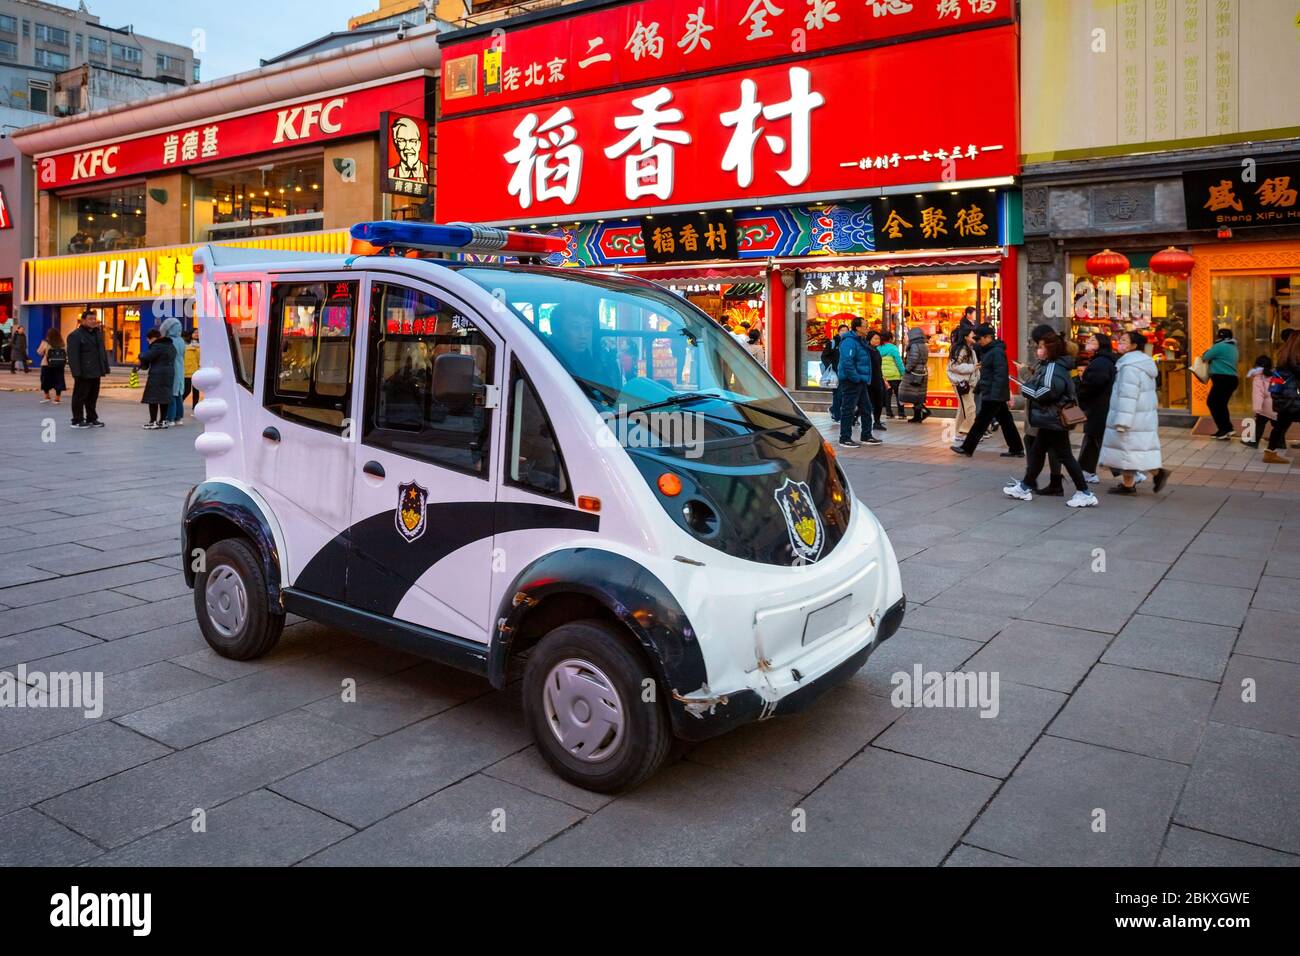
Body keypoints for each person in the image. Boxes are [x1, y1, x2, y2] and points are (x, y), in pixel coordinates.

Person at [1003, 333, 1098, 507]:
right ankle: (1024, 487)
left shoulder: (1054, 368)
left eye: (1041, 347)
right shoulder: (1052, 366)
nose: (1038, 350)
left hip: (1053, 418)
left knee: (1065, 456)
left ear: (1050, 349)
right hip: (1050, 419)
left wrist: (1024, 388)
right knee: (1038, 452)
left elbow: (1047, 392)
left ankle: (1084, 492)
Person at [1099, 330, 1170, 494]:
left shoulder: (1129, 366)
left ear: (1134, 345)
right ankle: (1129, 484)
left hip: (1130, 417)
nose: (1119, 343)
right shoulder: (1141, 363)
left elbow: (1127, 396)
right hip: (1140, 417)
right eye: (1119, 340)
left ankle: (1157, 473)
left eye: (1124, 340)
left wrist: (1122, 421)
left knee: (1128, 451)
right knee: (1130, 452)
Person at [953, 324, 1025, 458]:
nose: (978, 341)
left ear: (988, 337)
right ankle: (1017, 448)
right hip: (993, 393)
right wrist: (981, 387)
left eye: (980, 338)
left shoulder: (996, 352)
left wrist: (996, 394)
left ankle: (967, 448)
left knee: (981, 421)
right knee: (1006, 421)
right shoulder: (989, 350)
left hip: (994, 394)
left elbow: (1000, 375)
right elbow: (988, 373)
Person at [1076, 332, 1117, 482]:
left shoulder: (1101, 362)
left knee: (1100, 440)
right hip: (1099, 406)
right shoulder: (1102, 361)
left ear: (1101, 344)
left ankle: (1128, 472)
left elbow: (1094, 383)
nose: (1088, 341)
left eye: (1093, 340)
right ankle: (1086, 471)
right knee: (1093, 438)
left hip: (1099, 407)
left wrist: (1081, 390)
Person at [836, 317, 881, 447]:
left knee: (866, 408)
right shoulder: (849, 342)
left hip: (860, 380)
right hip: (851, 381)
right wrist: (855, 378)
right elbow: (847, 362)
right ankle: (844, 438)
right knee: (848, 409)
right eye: (865, 326)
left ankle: (866, 435)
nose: (868, 328)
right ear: (858, 328)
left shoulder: (860, 341)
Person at [1261, 331, 1300, 464]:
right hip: (1294, 399)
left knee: (1280, 425)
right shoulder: (1295, 360)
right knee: (1281, 425)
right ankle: (1270, 454)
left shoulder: (1284, 356)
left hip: (1284, 399)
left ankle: (1270, 453)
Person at [67, 310, 110, 428]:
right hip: (83, 372)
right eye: (90, 319)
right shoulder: (75, 335)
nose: (93, 321)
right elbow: (73, 356)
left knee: (92, 396)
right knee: (80, 396)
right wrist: (76, 372)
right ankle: (77, 420)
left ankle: (92, 418)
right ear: (83, 321)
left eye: (94, 319)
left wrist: (104, 367)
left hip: (96, 370)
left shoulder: (98, 334)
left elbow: (102, 352)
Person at [1202, 327, 1240, 439]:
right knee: (1221, 405)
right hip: (1232, 379)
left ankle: (1224, 429)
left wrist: (1209, 349)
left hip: (1222, 379)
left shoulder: (1219, 346)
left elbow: (1205, 357)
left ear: (1220, 337)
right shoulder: (1233, 347)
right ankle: (1227, 429)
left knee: (1212, 403)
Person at [135, 328, 177, 429]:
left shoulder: (157, 346)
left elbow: (147, 356)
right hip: (169, 374)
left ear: (153, 338)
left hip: (157, 375)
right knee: (164, 398)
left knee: (153, 398)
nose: (149, 342)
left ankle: (152, 421)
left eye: (149, 340)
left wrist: (140, 354)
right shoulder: (171, 346)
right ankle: (162, 421)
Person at [947, 326, 980, 438]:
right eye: (972, 334)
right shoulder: (962, 350)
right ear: (966, 337)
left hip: (966, 383)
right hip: (961, 383)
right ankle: (967, 432)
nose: (974, 336)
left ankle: (959, 432)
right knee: (970, 408)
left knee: (963, 408)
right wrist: (972, 367)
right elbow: (954, 366)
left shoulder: (968, 349)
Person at [898, 325, 931, 422]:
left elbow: (913, 359)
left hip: (914, 373)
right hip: (922, 372)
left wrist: (907, 369)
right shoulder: (924, 345)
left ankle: (923, 411)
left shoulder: (914, 346)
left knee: (909, 393)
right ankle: (918, 416)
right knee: (918, 395)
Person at [1243, 354, 1275, 450]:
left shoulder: (1258, 377)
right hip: (1276, 405)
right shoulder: (1274, 375)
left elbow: (1258, 394)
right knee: (1278, 425)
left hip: (1265, 406)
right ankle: (1280, 442)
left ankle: (1254, 442)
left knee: (1260, 423)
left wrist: (1257, 409)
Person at [160, 318, 187, 424]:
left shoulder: (169, 341)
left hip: (172, 370)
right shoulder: (181, 341)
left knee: (171, 394)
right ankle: (178, 418)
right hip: (181, 369)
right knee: (179, 394)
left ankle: (170, 418)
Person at [863, 330, 887, 432]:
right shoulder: (867, 351)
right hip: (870, 381)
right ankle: (858, 420)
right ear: (869, 339)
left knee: (879, 403)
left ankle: (876, 422)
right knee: (867, 403)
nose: (878, 340)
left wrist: (883, 379)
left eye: (878, 339)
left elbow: (878, 367)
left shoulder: (876, 350)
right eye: (875, 338)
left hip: (878, 380)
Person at [824, 322, 847, 421]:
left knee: (843, 394)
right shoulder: (832, 343)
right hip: (835, 373)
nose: (844, 333)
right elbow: (824, 356)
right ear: (838, 332)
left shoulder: (849, 343)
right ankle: (836, 416)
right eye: (842, 331)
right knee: (838, 394)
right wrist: (831, 366)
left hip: (846, 372)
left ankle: (833, 409)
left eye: (846, 331)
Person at [36, 327, 67, 404]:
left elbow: (39, 352)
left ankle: (47, 396)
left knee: (45, 380)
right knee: (59, 380)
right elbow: (66, 353)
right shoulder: (62, 343)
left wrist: (45, 354)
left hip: (46, 364)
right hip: (59, 365)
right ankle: (57, 398)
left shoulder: (45, 342)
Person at [878, 330, 904, 419]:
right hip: (895, 375)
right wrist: (903, 373)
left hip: (884, 376)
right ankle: (901, 413)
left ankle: (889, 413)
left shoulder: (878, 348)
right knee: (899, 395)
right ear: (890, 338)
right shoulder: (893, 348)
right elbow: (899, 362)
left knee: (887, 396)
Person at [182, 330, 201, 414]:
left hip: (197, 371)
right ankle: (177, 405)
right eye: (195, 332)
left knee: (196, 391)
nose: (197, 334)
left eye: (198, 333)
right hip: (188, 371)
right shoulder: (185, 345)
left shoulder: (201, 345)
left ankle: (195, 409)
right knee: (187, 390)